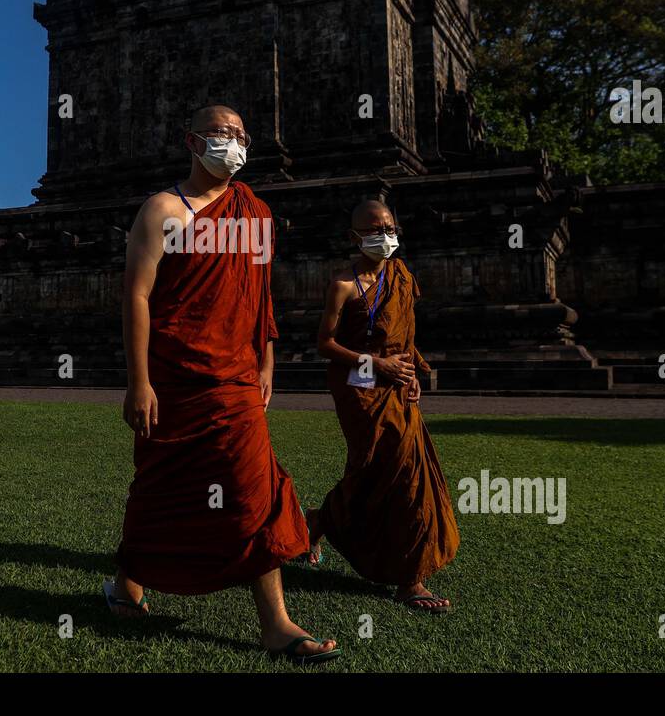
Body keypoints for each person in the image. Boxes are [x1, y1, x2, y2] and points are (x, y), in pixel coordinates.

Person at [109, 103, 340, 665]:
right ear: (192, 140)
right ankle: (126, 583)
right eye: (221, 133)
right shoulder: (164, 209)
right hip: (175, 376)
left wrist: (266, 363)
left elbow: (258, 296)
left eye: (241, 134)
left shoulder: (253, 213)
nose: (233, 142)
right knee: (160, 484)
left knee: (249, 486)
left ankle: (276, 623)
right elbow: (137, 296)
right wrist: (138, 382)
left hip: (235, 377)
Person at [305, 199, 460, 612]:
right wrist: (375, 363)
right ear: (355, 237)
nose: (385, 236)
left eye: (390, 227)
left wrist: (412, 373)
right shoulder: (343, 284)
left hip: (396, 384)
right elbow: (325, 344)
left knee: (407, 472)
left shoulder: (401, 276)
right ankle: (327, 523)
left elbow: (404, 336)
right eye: (374, 229)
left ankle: (407, 574)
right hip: (359, 389)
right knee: (373, 466)